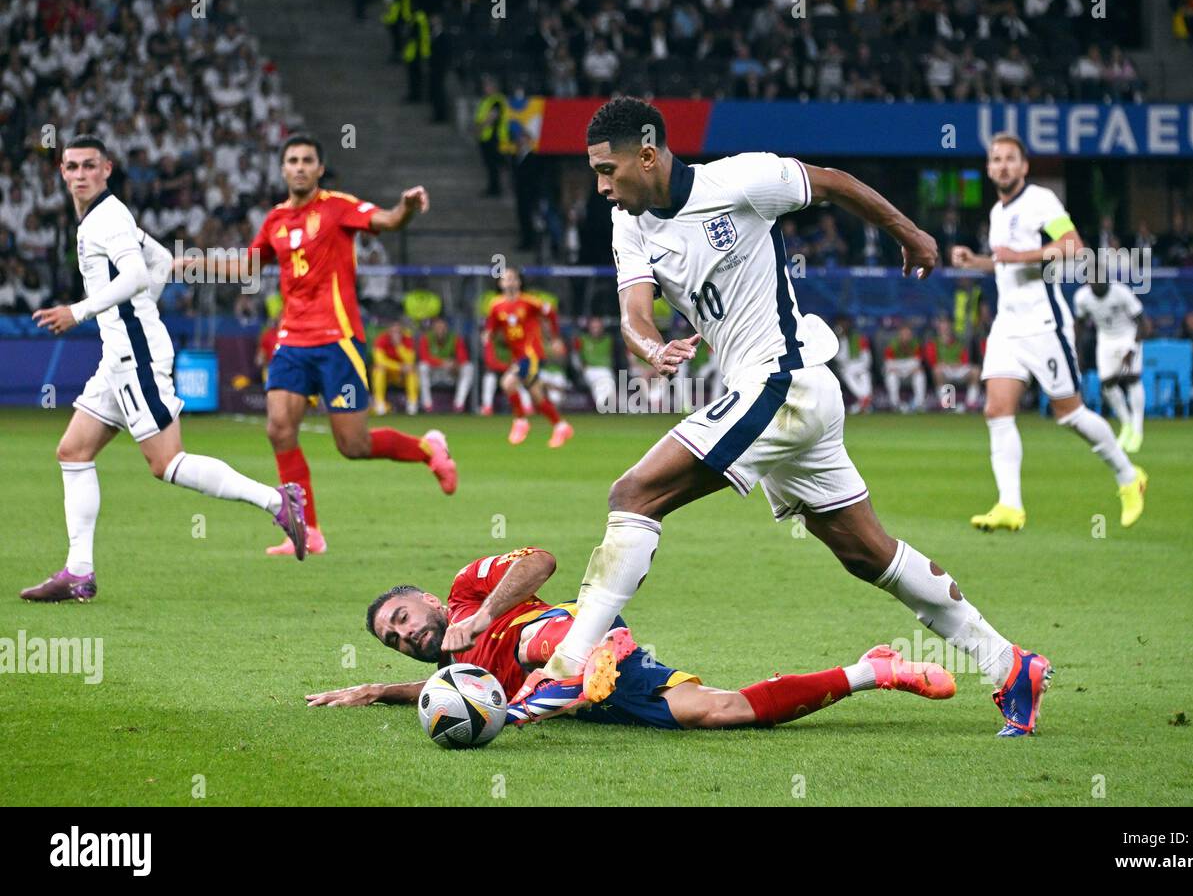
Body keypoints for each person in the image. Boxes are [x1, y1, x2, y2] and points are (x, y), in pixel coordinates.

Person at [515, 97, 1051, 738]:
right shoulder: (629, 224)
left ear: (649, 154)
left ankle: (570, 664)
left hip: (783, 382)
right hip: (784, 398)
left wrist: (909, 233)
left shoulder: (738, 181)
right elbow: (634, 311)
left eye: (608, 170)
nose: (601, 186)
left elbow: (834, 184)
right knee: (866, 553)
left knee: (634, 494)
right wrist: (652, 344)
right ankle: (1012, 665)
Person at [21, 137, 308, 602]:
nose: (79, 174)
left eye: (89, 166)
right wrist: (138, 311)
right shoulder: (103, 217)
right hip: (120, 353)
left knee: (166, 463)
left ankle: (278, 501)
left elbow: (136, 274)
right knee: (73, 451)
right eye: (71, 166)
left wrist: (82, 311)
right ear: (61, 171)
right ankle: (78, 572)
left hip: (136, 356)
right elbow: (158, 263)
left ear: (107, 169)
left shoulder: (108, 218)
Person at [305, 546, 955, 729]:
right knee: (723, 710)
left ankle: (593, 654)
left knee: (538, 644)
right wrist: (375, 689)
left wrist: (482, 615)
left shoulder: (467, 591)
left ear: (422, 599)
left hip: (574, 632)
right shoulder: (462, 677)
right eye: (395, 640)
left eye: (400, 618)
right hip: (589, 692)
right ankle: (872, 668)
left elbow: (540, 561)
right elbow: (442, 690)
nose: (406, 634)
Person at [196, 134, 459, 556]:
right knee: (279, 428)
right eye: (292, 160)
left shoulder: (339, 207)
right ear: (283, 170)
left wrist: (407, 207)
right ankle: (307, 531)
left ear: (319, 169)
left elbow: (389, 221)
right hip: (292, 342)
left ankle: (429, 449)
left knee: (353, 445)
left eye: (307, 161)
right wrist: (190, 262)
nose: (299, 167)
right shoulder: (276, 220)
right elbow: (246, 265)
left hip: (338, 341)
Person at [951, 133, 1147, 532]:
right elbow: (1007, 265)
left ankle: (1129, 477)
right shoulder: (997, 213)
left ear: (1024, 167)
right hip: (1007, 326)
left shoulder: (1040, 200)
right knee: (996, 411)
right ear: (989, 169)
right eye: (996, 159)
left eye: (1010, 159)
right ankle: (1010, 505)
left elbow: (1073, 246)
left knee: (1070, 414)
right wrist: (979, 261)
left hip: (1044, 324)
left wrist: (1017, 255)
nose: (1003, 165)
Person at [483, 267, 574, 447]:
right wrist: (487, 336)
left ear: (518, 282)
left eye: (513, 278)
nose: (509, 282)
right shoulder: (496, 305)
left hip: (532, 354)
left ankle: (520, 421)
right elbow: (491, 328)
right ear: (500, 283)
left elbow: (551, 312)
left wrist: (555, 339)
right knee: (537, 396)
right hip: (517, 356)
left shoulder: (529, 302)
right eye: (506, 279)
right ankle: (561, 426)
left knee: (508, 383)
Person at [1073, 277, 1148, 453]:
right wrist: (1078, 352)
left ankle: (1138, 430)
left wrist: (1132, 348)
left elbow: (1143, 324)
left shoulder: (1121, 293)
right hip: (1106, 339)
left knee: (1132, 379)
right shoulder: (1082, 298)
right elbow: (1080, 324)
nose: (1096, 283)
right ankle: (1126, 424)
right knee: (1107, 384)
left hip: (1127, 336)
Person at [416, 316, 473, 413]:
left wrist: (455, 364)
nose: (440, 330)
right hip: (433, 373)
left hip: (449, 373)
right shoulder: (426, 338)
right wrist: (442, 362)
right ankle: (427, 404)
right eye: (438, 328)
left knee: (468, 367)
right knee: (422, 367)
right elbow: (424, 357)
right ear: (433, 329)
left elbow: (463, 358)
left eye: (443, 328)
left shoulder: (455, 338)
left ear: (447, 328)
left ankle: (459, 404)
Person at [925, 315, 979, 412]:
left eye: (947, 325)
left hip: (958, 369)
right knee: (937, 370)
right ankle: (947, 403)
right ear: (939, 328)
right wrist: (944, 364)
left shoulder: (958, 342)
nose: (945, 328)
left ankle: (971, 403)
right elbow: (931, 361)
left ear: (950, 327)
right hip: (945, 370)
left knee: (975, 371)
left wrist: (957, 364)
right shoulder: (933, 342)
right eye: (942, 325)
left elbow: (965, 360)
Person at [574, 315, 617, 413]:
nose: (595, 329)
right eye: (593, 327)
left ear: (602, 328)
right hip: (589, 369)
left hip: (605, 370)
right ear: (589, 328)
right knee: (599, 384)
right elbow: (576, 356)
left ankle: (602, 405)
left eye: (598, 327)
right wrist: (581, 367)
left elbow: (613, 356)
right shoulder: (582, 339)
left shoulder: (608, 339)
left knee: (609, 383)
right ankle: (602, 404)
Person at [882, 323, 927, 412]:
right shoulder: (892, 345)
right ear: (900, 335)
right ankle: (895, 404)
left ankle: (919, 403)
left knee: (920, 374)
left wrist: (910, 369)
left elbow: (917, 363)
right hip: (896, 370)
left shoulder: (915, 344)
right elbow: (889, 365)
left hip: (910, 370)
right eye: (904, 334)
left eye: (908, 335)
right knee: (891, 376)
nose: (906, 337)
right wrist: (901, 369)